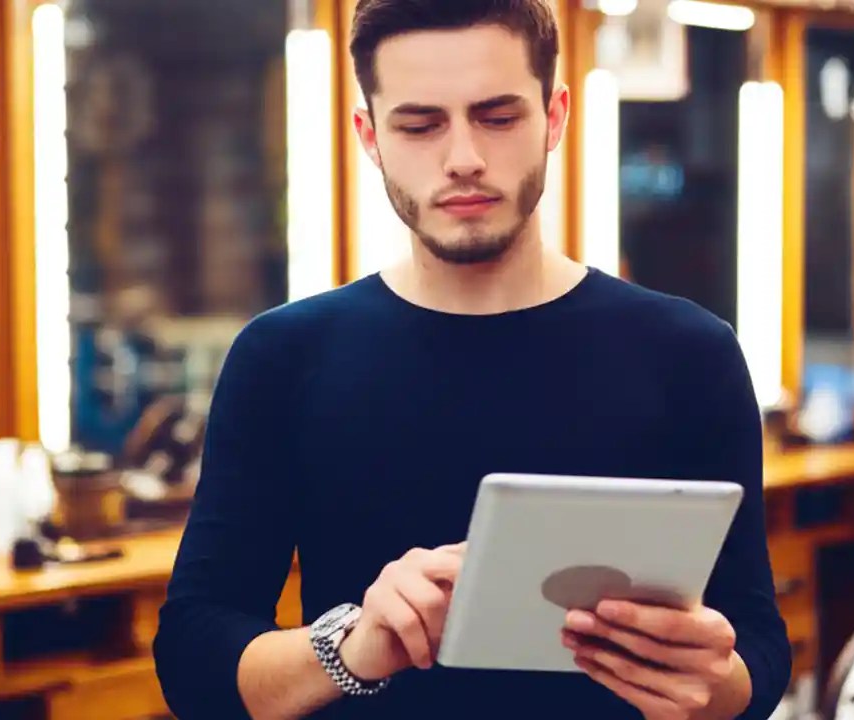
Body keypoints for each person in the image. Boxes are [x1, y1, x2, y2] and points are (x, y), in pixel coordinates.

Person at [151, 1, 792, 717]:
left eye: (497, 116)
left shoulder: (689, 355)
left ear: (555, 116)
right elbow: (193, 657)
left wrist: (705, 681)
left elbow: (758, 653)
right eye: (421, 125)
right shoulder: (284, 358)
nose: (463, 158)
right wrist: (354, 644)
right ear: (370, 136)